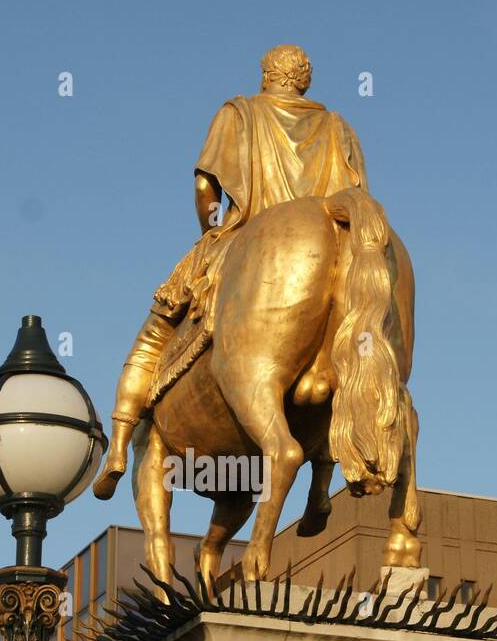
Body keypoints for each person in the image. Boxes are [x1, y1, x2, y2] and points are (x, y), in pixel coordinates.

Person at [93, 43, 368, 499]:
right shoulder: (340, 128)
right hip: (337, 255)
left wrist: (214, 232)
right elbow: (353, 201)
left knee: (154, 332)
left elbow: (206, 186)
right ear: (305, 80)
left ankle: (119, 447)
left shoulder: (238, 113)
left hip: (246, 241)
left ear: (266, 76)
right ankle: (322, 477)